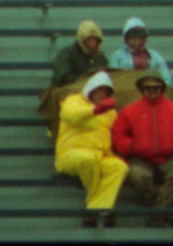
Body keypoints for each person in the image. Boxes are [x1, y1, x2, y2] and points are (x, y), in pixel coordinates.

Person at [110, 71, 173, 227]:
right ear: (142, 90)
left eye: (156, 88)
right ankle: (164, 213)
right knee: (136, 175)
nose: (152, 91)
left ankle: (156, 216)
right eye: (148, 88)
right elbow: (118, 134)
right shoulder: (129, 111)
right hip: (139, 158)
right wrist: (131, 147)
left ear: (162, 89)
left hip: (169, 157)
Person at [55, 70, 128, 228]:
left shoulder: (110, 112)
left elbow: (115, 134)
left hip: (101, 155)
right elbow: (70, 116)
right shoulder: (73, 100)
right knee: (88, 159)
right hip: (70, 153)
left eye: (107, 91)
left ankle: (92, 210)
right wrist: (95, 110)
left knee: (119, 167)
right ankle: (103, 210)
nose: (103, 94)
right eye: (100, 89)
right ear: (92, 88)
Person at [107, 16, 173, 86]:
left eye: (140, 38)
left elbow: (166, 79)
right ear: (126, 40)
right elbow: (112, 79)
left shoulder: (155, 57)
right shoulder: (117, 56)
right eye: (133, 38)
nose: (137, 42)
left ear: (145, 39)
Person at [51, 19, 109, 87]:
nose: (93, 43)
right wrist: (85, 81)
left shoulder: (100, 57)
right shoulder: (67, 54)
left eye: (95, 39)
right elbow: (61, 78)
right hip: (70, 90)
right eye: (89, 39)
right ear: (82, 40)